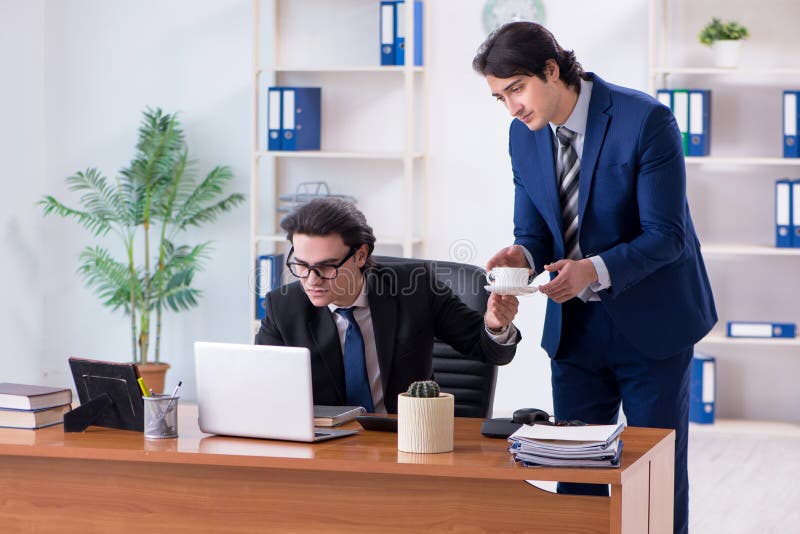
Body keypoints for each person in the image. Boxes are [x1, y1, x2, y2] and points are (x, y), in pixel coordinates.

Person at [473, 22, 716, 534]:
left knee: (653, 475)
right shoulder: (524, 135)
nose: (512, 107)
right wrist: (521, 254)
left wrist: (594, 269)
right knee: (575, 474)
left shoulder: (645, 120)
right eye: (500, 97)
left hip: (652, 324)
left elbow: (667, 235)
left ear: (551, 70)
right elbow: (534, 230)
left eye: (516, 89)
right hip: (576, 331)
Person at [255, 197, 521, 414]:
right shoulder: (283, 306)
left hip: (407, 439)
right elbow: (262, 387)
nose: (311, 279)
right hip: (324, 447)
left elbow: (488, 351)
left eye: (326, 266)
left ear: (360, 255)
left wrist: (496, 326)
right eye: (300, 265)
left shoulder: (415, 289)